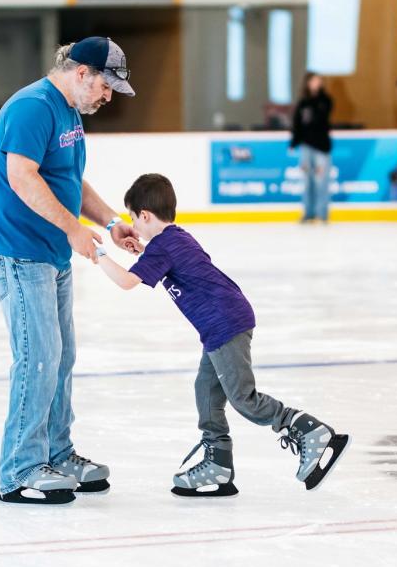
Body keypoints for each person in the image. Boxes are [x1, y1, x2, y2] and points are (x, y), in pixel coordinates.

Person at [94, 173, 348, 498]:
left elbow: (127, 282)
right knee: (207, 390)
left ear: (144, 215)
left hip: (224, 323)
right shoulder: (174, 238)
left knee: (243, 398)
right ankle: (218, 464)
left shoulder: (162, 248)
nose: (132, 224)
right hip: (222, 322)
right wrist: (142, 249)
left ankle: (310, 432)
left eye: (133, 218)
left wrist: (98, 254)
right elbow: (165, 262)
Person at [0, 37, 142, 506]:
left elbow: (69, 178)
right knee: (37, 358)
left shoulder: (68, 110)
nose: (108, 96)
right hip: (19, 255)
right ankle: (21, 469)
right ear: (81, 72)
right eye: (105, 85)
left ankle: (57, 453)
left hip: (51, 255)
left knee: (61, 357)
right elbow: (22, 177)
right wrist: (73, 229)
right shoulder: (33, 107)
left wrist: (110, 222)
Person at [289, 72, 333, 224]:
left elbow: (322, 119)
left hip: (321, 146)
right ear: (307, 83)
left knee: (322, 181)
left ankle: (322, 214)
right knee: (307, 181)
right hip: (306, 147)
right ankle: (308, 213)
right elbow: (297, 124)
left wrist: (315, 99)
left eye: (318, 81)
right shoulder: (303, 103)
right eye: (313, 81)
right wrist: (294, 142)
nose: (316, 83)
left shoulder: (325, 100)